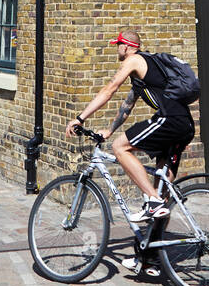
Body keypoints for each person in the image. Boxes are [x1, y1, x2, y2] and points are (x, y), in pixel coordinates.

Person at [66, 28, 196, 222]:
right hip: (184, 123)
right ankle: (153, 247)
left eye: (118, 45)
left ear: (126, 46)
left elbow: (109, 89)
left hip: (169, 119)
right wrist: (110, 130)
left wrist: (80, 118)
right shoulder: (144, 72)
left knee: (120, 147)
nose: (117, 49)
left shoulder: (133, 61)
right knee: (162, 189)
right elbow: (127, 106)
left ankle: (152, 201)